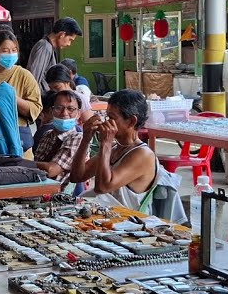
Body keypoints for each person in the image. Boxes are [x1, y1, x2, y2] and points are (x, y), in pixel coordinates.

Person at [71, 89, 186, 222]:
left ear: (131, 121)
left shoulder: (143, 155)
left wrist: (106, 144)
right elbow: (77, 176)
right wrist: (86, 139)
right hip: (103, 218)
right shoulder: (116, 148)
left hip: (126, 223)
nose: (106, 122)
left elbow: (102, 187)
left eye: (112, 118)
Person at [32, 89, 84, 186]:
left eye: (71, 109)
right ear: (52, 111)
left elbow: (51, 170)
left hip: (60, 195)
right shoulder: (47, 135)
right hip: (38, 187)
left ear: (78, 114)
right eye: (59, 108)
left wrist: (23, 163)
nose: (64, 113)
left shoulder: (78, 138)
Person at [27, 17, 83, 93]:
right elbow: (33, 79)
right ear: (62, 35)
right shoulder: (45, 47)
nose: (69, 44)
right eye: (70, 39)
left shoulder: (48, 47)